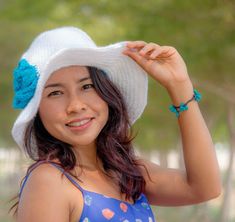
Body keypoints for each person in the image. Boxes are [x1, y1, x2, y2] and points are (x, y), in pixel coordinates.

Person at [9, 26, 221, 222]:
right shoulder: (49, 181)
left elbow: (204, 188)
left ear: (105, 92)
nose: (75, 105)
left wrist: (179, 85)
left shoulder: (126, 170)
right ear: (37, 111)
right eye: (55, 93)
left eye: (87, 86)